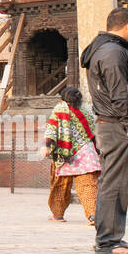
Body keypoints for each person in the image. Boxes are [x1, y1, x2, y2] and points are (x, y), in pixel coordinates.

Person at [86, 7, 128, 254]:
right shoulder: (113, 52)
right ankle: (108, 241)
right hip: (118, 126)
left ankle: (110, 237)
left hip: (110, 125)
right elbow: (119, 92)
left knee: (114, 181)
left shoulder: (104, 49)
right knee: (117, 183)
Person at [45, 86, 100, 224]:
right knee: (88, 187)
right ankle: (93, 216)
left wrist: (46, 146)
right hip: (86, 153)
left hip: (65, 154)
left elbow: (52, 129)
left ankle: (57, 215)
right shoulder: (86, 110)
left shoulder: (59, 109)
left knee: (60, 187)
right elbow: (94, 130)